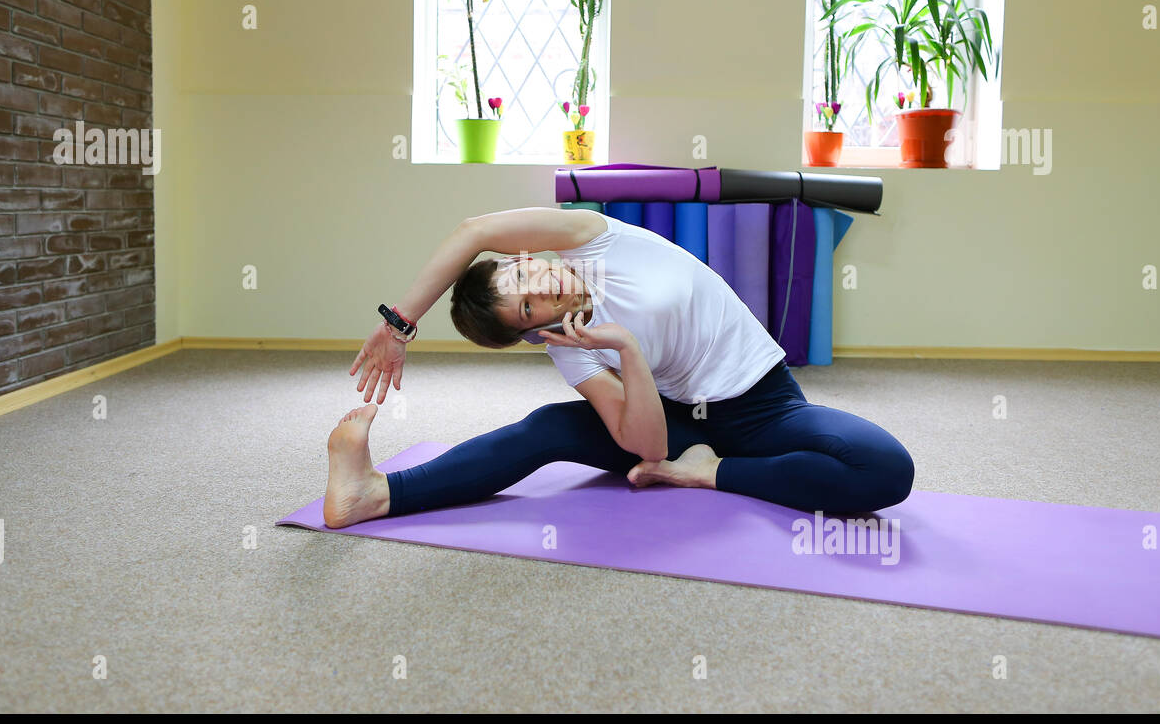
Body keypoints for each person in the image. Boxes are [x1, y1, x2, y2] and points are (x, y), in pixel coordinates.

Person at [326, 207, 914, 528]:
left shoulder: (595, 239)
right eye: (527, 307)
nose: (541, 287)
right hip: (679, 427)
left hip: (764, 407)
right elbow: (649, 446)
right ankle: (375, 494)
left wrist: (398, 324)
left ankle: (712, 473)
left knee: (886, 470)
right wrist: (629, 353)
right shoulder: (569, 346)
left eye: (523, 274)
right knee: (548, 427)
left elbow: (472, 231)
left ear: (524, 256)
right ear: (531, 332)